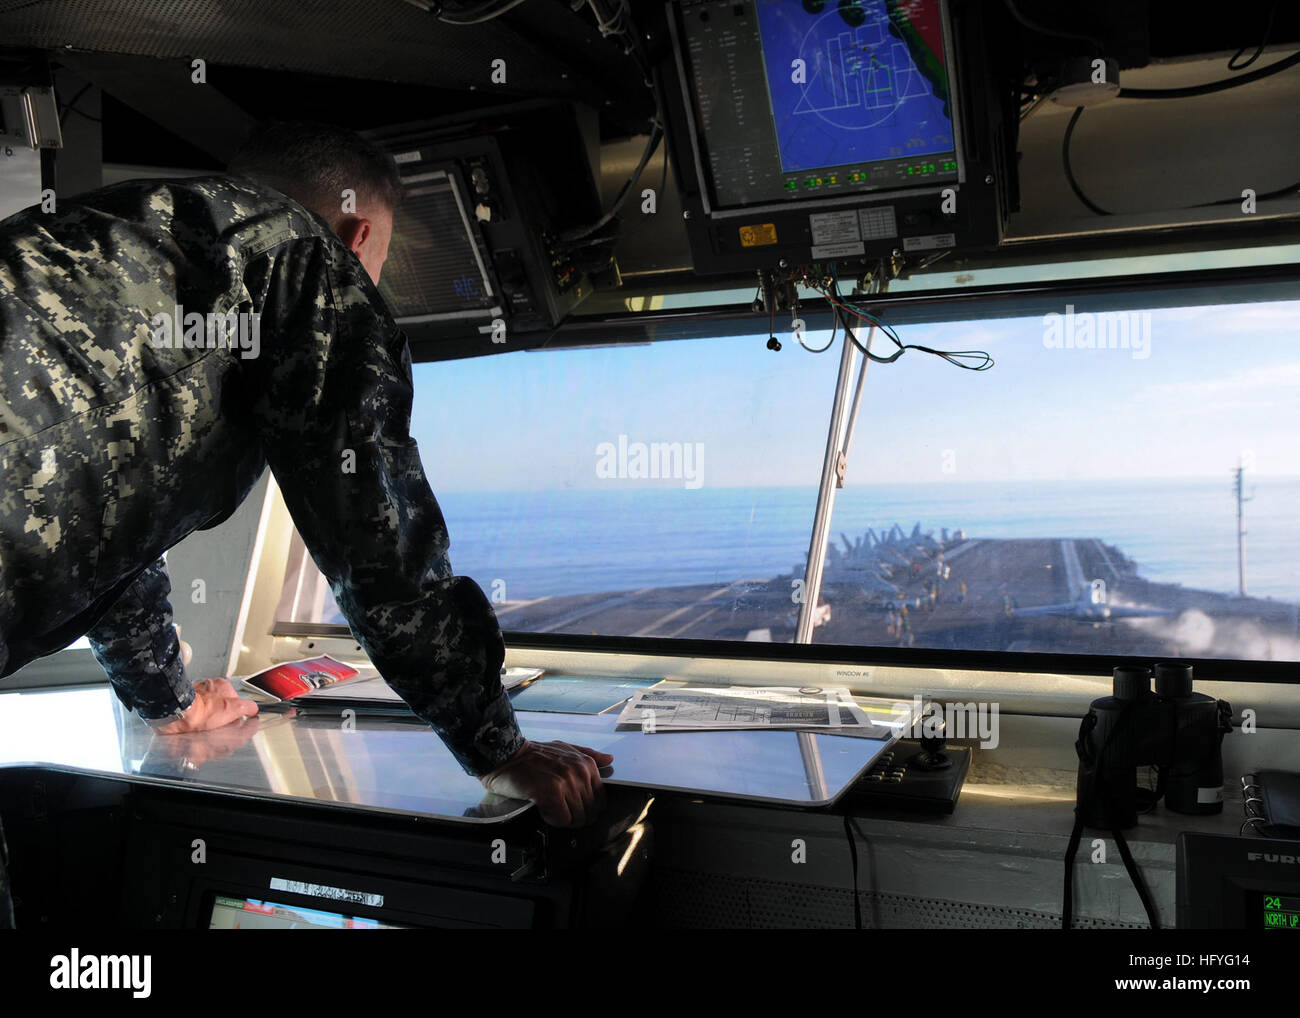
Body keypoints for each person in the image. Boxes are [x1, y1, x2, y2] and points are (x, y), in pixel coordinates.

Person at [0, 121, 610, 841]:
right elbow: (377, 534)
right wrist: (499, 747)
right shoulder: (307, 258)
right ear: (357, 238)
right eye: (375, 267)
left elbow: (110, 518)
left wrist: (168, 701)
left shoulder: (111, 229)